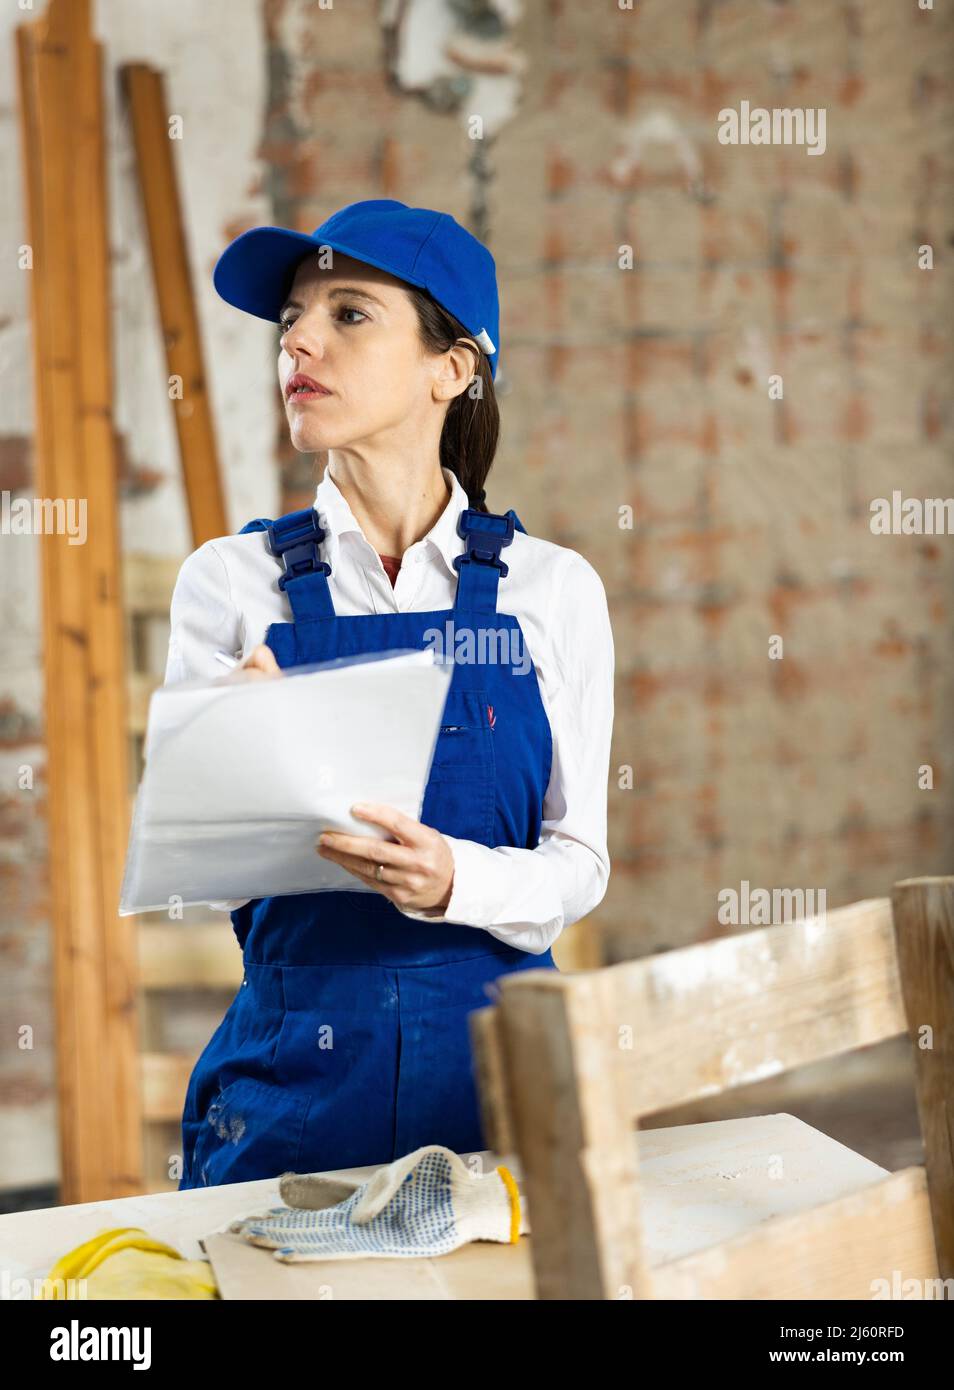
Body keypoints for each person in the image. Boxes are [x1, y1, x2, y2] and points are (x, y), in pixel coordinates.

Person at [167, 199, 615, 1189]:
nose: (301, 342)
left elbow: (579, 864)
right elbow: (196, 884)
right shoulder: (226, 584)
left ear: (452, 368)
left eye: (350, 314)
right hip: (291, 1097)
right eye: (292, 319)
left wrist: (456, 879)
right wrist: (232, 765)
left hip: (501, 1093)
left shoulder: (554, 591)